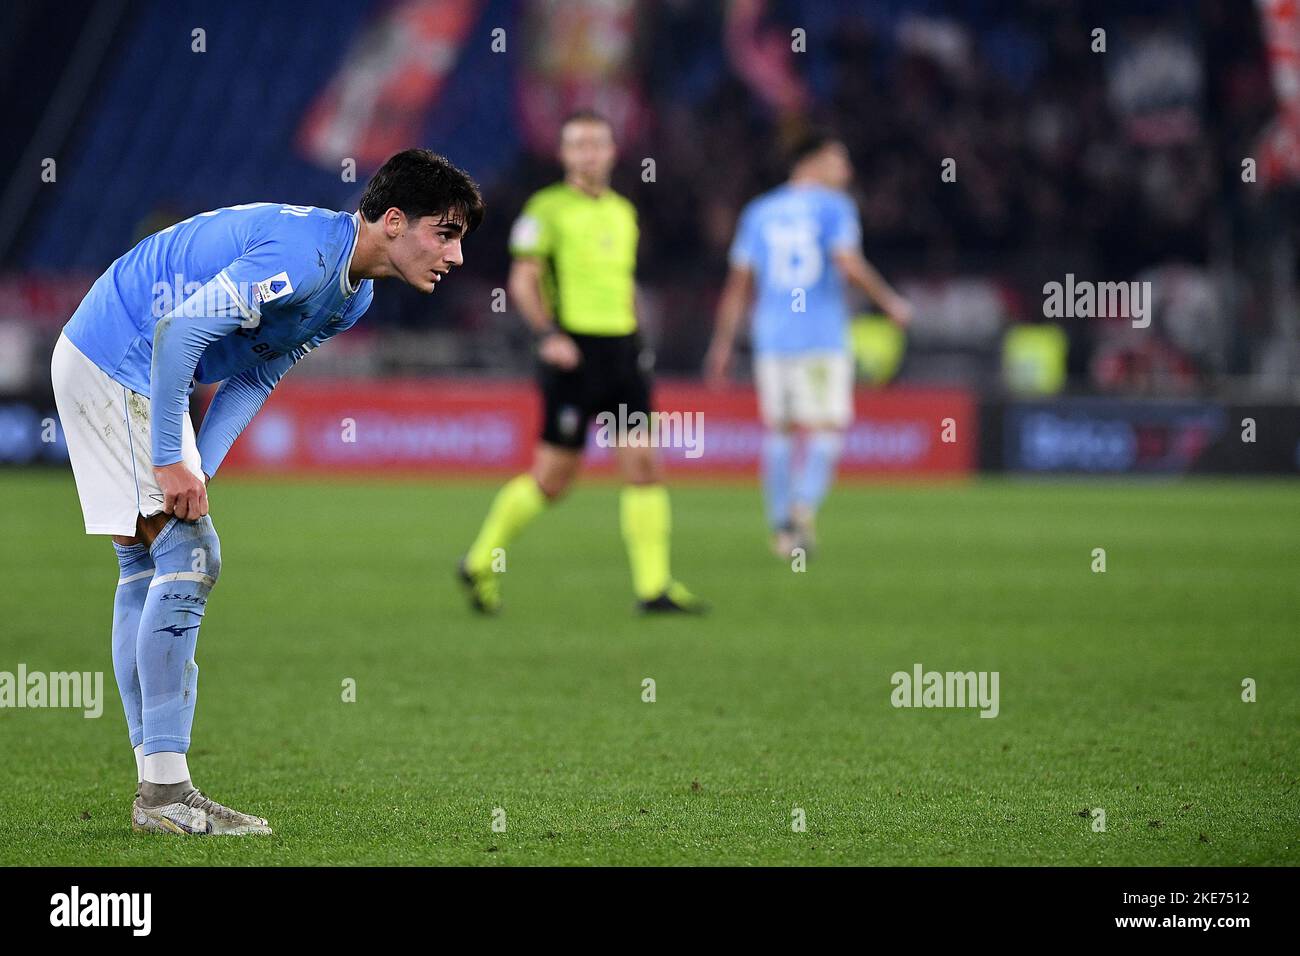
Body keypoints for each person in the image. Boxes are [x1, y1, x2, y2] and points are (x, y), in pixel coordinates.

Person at [51, 149, 483, 835]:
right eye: (446, 232)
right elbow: (180, 331)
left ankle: (157, 788)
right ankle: (166, 796)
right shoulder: (305, 257)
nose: (455, 255)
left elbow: (253, 376)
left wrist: (200, 471)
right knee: (192, 560)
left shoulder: (353, 293)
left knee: (150, 562)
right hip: (120, 355)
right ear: (394, 221)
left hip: (110, 353)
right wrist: (171, 459)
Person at [459, 110, 705, 615]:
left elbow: (622, 282)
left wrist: (639, 335)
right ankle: (482, 558)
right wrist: (549, 334)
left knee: (644, 465)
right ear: (565, 154)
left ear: (612, 152)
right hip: (573, 353)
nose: (589, 153)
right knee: (553, 478)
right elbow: (523, 279)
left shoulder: (622, 212)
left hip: (623, 353)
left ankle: (653, 588)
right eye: (578, 145)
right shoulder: (546, 210)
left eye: (597, 144)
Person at [706, 132, 913, 556]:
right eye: (839, 161)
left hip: (772, 337)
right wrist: (889, 301)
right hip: (819, 336)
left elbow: (738, 285)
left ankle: (782, 531)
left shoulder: (759, 212)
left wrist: (723, 343)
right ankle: (802, 508)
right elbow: (848, 263)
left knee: (780, 431)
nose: (847, 171)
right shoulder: (835, 208)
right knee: (826, 429)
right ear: (812, 163)